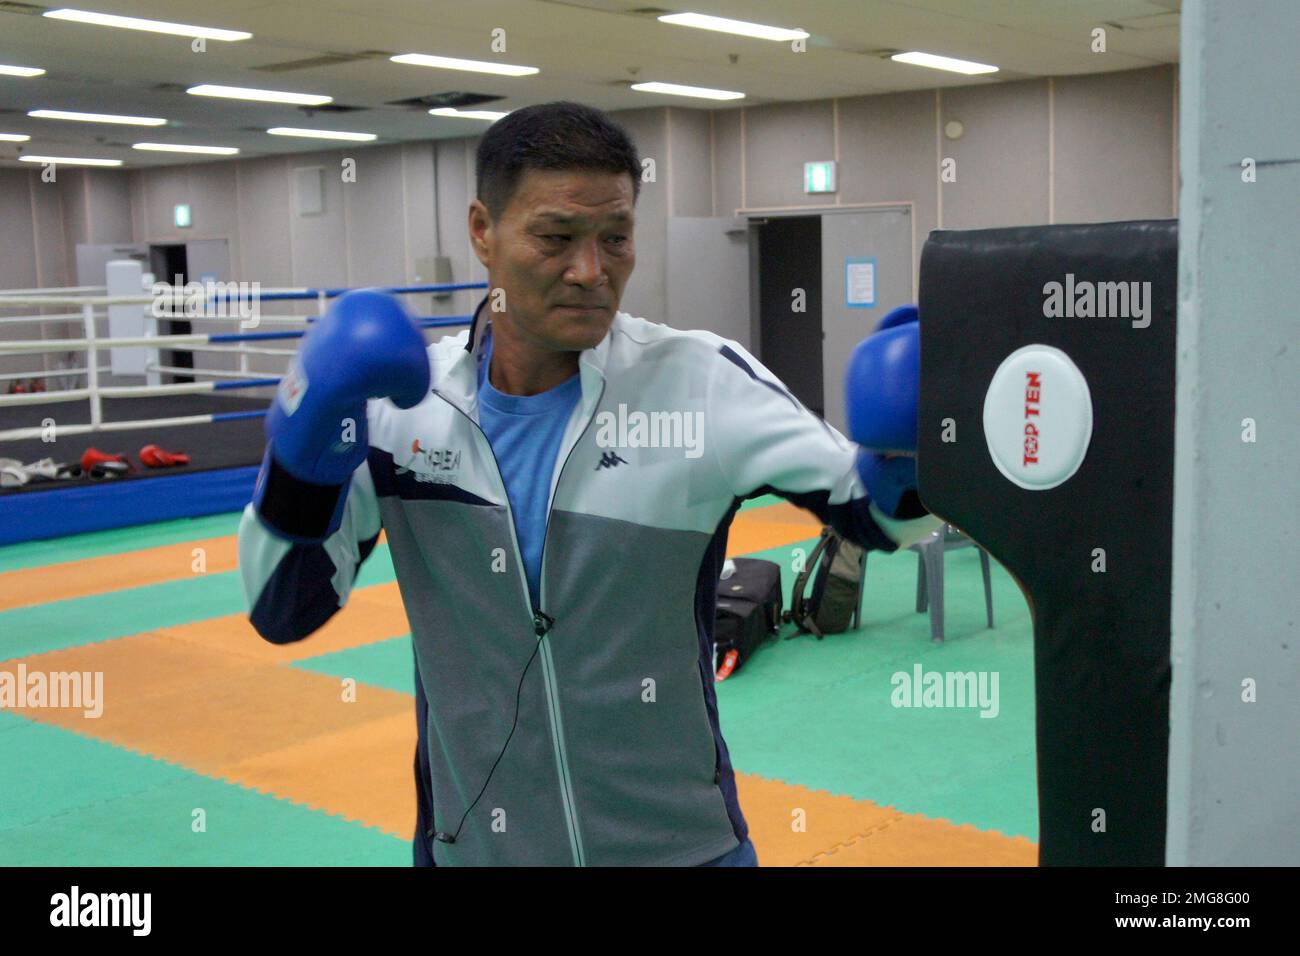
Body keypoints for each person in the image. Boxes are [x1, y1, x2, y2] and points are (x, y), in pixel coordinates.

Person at [237, 101, 939, 867]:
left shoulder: (697, 383)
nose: (590, 272)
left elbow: (878, 519)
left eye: (615, 238)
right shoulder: (402, 415)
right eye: (556, 237)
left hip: (684, 851)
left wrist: (909, 448)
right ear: (482, 231)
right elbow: (283, 610)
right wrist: (296, 459)